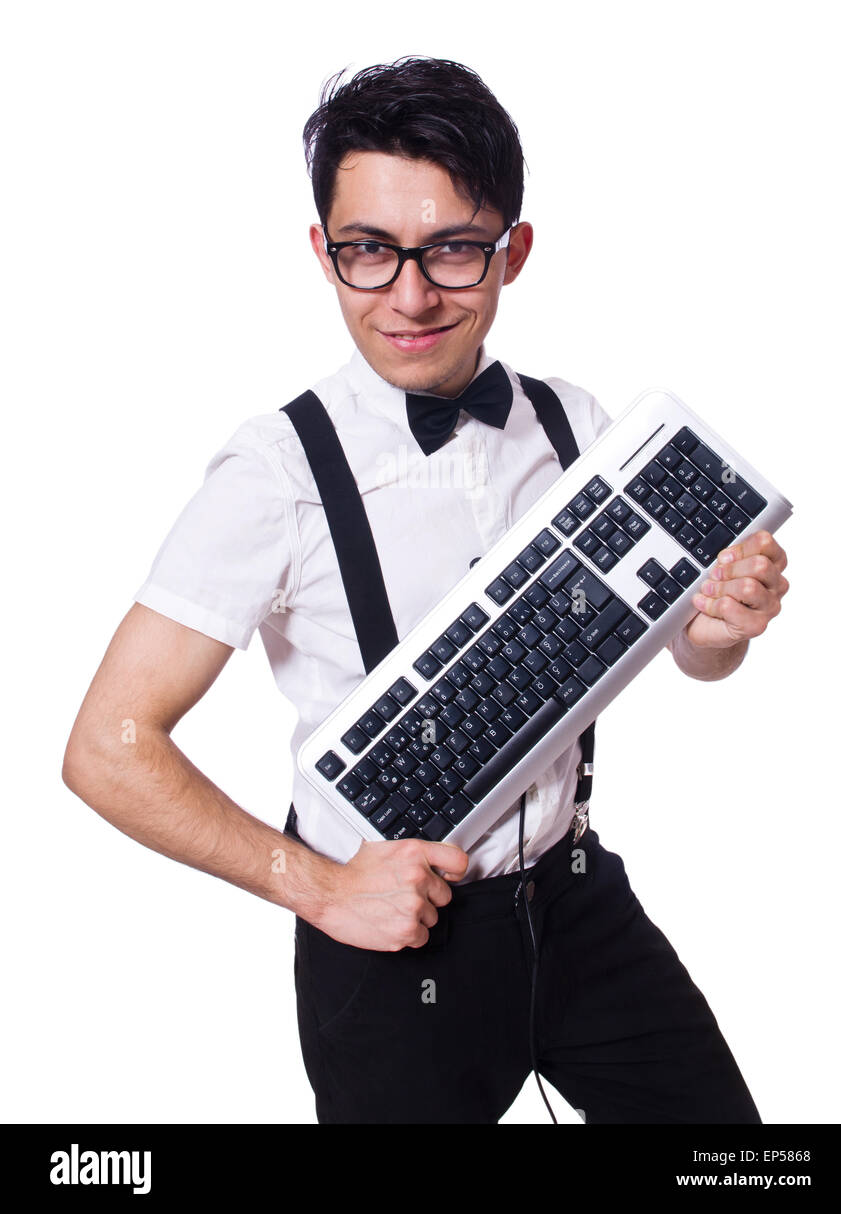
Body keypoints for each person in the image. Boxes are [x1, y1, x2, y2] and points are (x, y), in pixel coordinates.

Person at [62, 56, 789, 1124]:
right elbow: (106, 745)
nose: (409, 295)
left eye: (451, 248)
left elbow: (688, 645)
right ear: (324, 254)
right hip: (388, 937)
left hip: (577, 897)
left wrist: (725, 626)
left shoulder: (575, 424)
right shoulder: (276, 474)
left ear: (513, 251)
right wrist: (320, 889)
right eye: (369, 251)